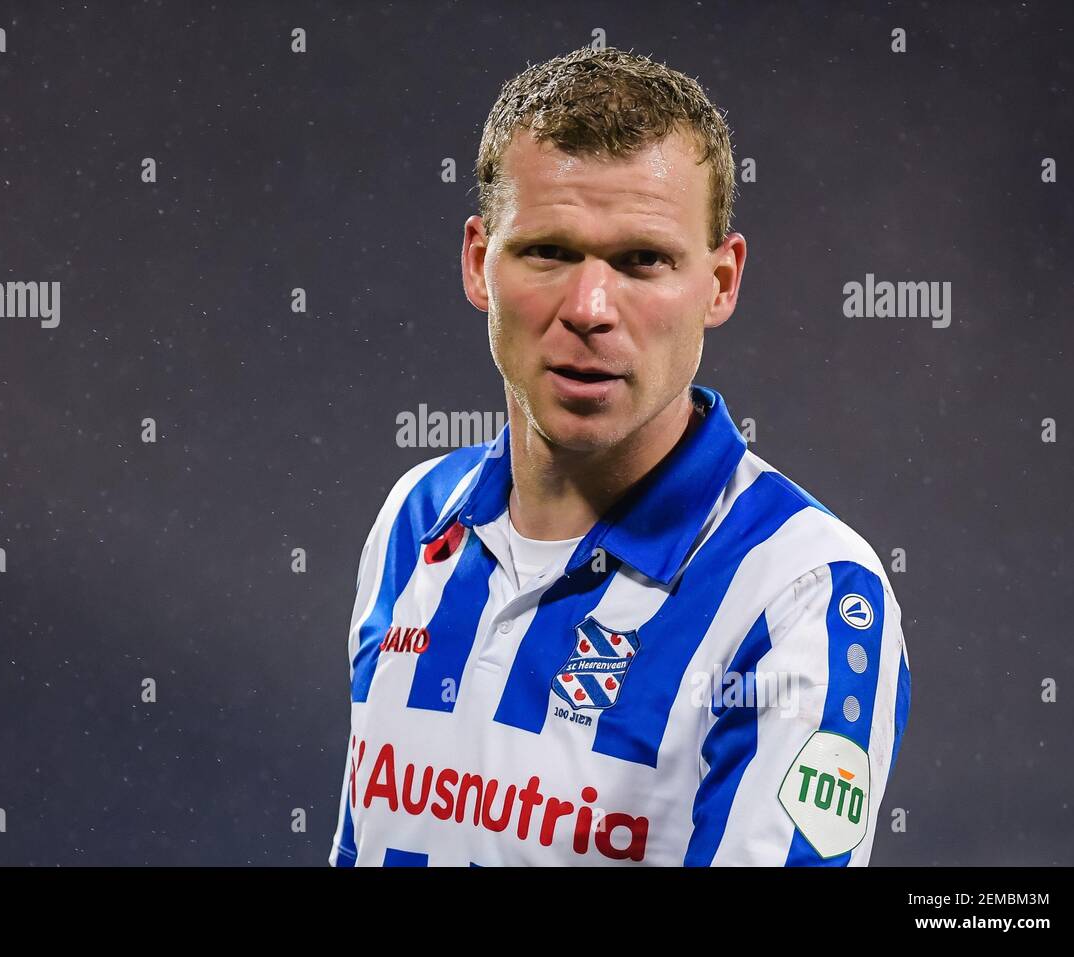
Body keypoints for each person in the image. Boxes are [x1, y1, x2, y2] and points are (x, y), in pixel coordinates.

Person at [328, 46, 911, 866]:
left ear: (720, 281)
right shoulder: (417, 518)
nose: (591, 309)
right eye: (549, 252)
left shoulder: (801, 596)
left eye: (643, 260)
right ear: (476, 262)